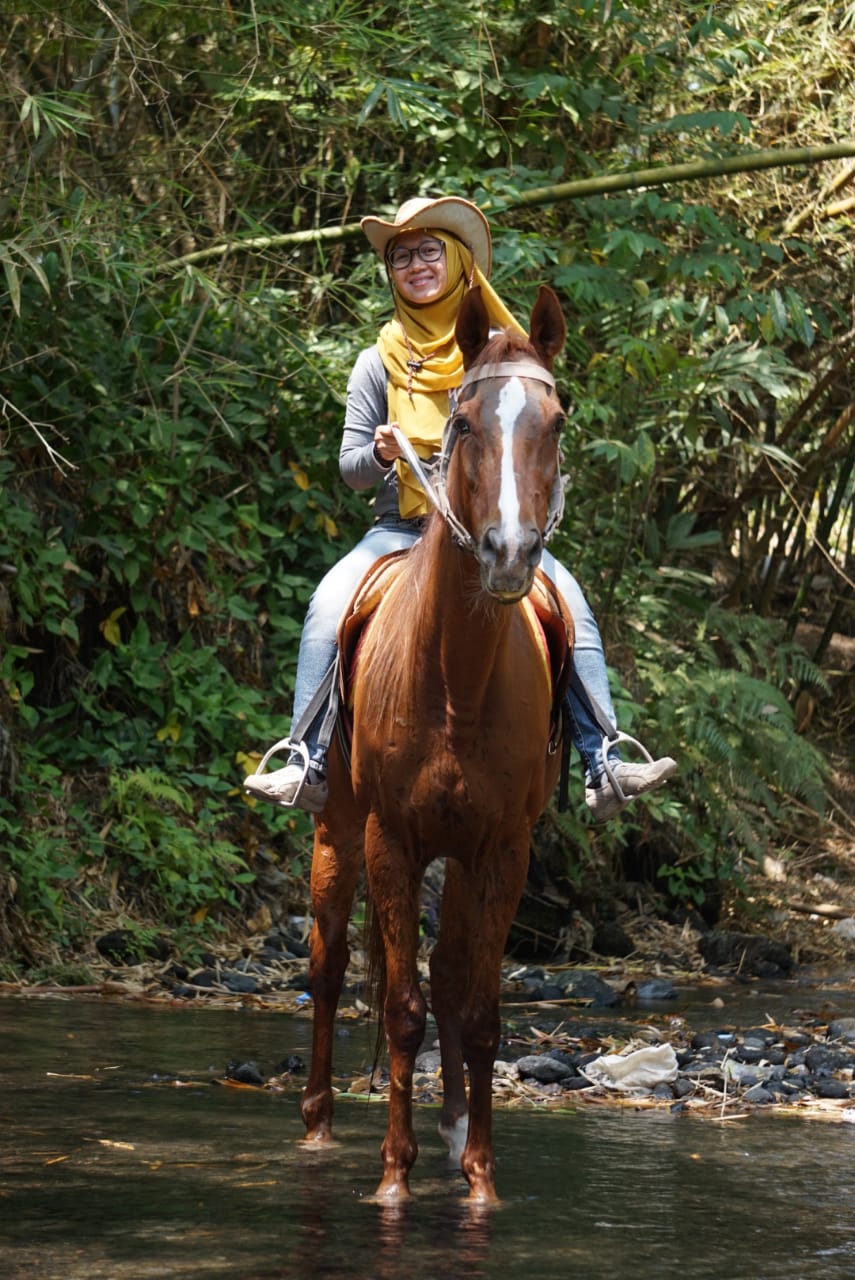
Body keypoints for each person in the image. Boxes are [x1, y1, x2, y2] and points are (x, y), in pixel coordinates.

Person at [244, 196, 676, 819]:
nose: (415, 265)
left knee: (573, 607)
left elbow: (532, 436)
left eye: (428, 251)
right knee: (327, 605)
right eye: (400, 256)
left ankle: (602, 754)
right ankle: (304, 760)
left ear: (456, 261)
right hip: (400, 529)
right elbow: (349, 471)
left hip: (496, 529)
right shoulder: (377, 361)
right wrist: (382, 452)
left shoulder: (503, 357)